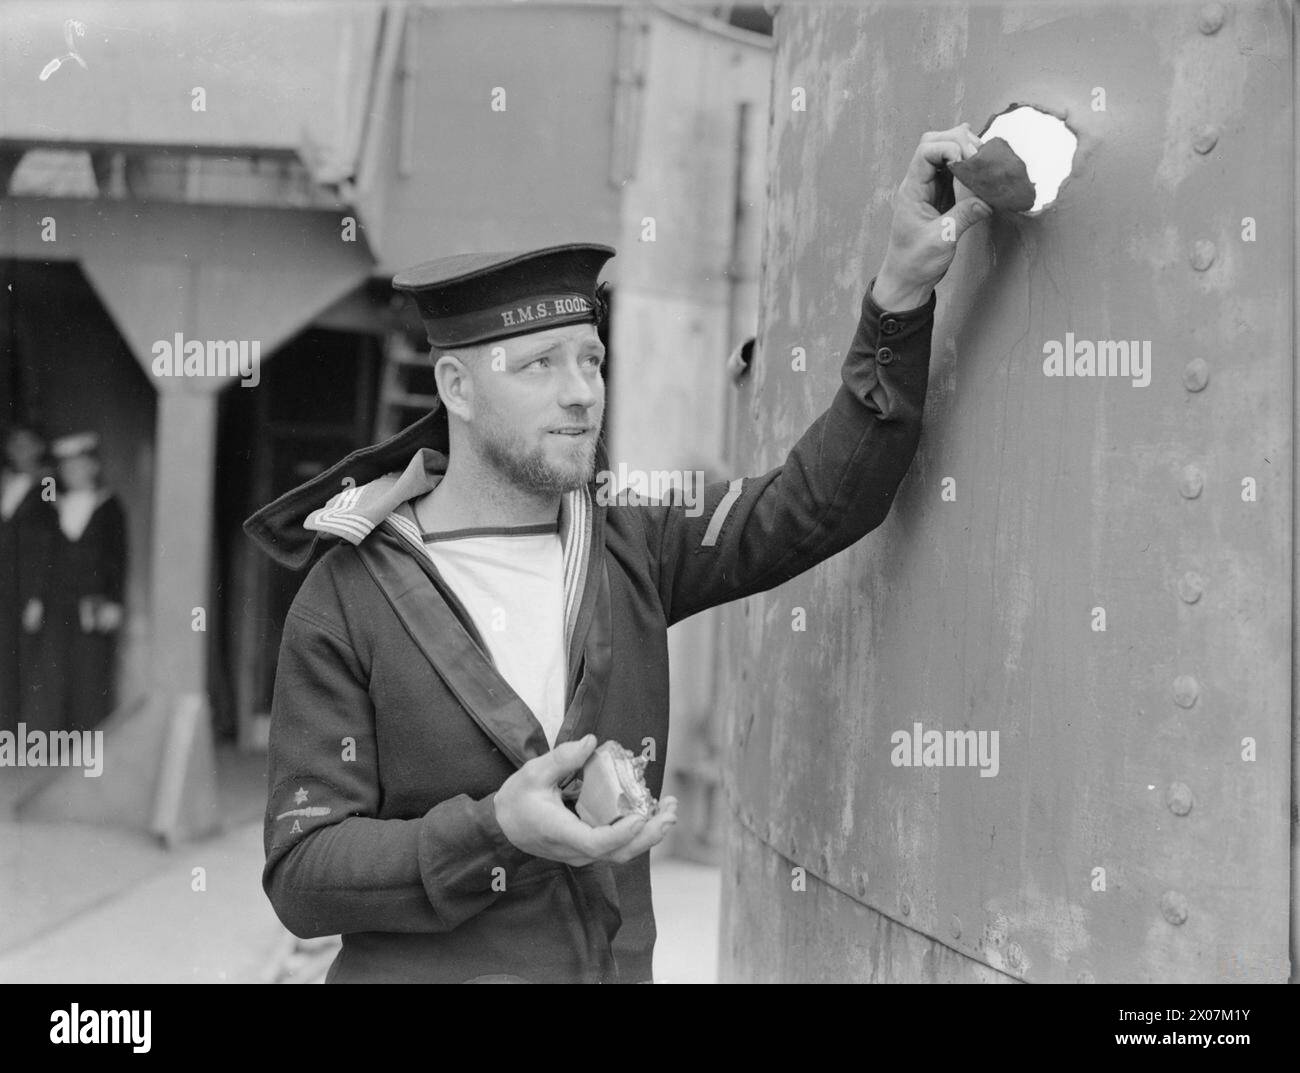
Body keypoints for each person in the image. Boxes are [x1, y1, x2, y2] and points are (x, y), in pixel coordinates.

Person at [244, 125, 992, 982]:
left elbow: (824, 498)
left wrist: (897, 296)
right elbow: (302, 873)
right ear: (455, 387)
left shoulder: (634, 533)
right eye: (537, 367)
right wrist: (494, 830)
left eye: (591, 360)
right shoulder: (349, 592)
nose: (579, 393)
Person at [48, 431, 127, 731]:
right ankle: (57, 743)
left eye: (78, 465)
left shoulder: (108, 507)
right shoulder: (55, 505)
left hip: (94, 604)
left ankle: (90, 740)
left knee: (90, 671)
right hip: (58, 602)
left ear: (93, 467)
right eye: (66, 467)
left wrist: (114, 603)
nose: (71, 473)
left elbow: (118, 559)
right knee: (57, 672)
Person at [0, 421, 58, 733]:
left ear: (39, 449)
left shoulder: (47, 485)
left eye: (27, 445)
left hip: (24, 590)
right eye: (14, 445)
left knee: (23, 661)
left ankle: (17, 733)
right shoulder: (4, 482)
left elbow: (47, 543)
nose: (20, 452)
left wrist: (36, 596)